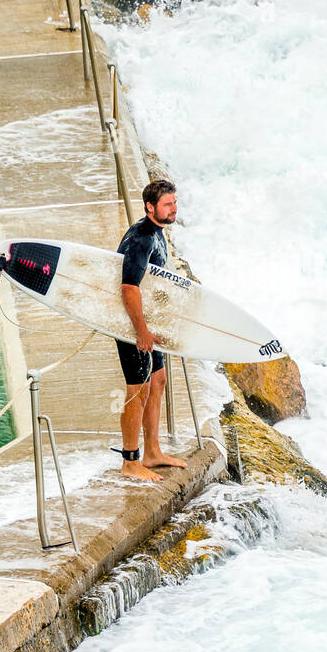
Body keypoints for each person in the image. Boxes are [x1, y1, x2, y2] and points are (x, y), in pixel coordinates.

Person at [114, 179, 189, 481]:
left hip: (148, 324)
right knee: (138, 389)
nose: (174, 208)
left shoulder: (157, 232)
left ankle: (152, 452)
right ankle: (130, 461)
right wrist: (142, 330)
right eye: (168, 204)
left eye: (174, 203)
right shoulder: (141, 239)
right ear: (150, 207)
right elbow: (129, 288)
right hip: (131, 326)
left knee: (157, 381)